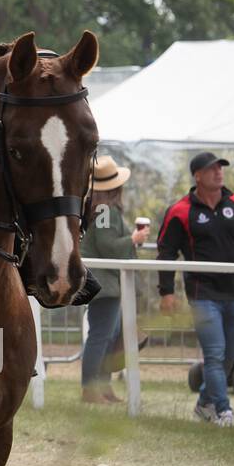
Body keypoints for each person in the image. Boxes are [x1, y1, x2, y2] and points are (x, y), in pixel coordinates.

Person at [156, 151, 234, 427]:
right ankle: (223, 410)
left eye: (221, 168)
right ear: (197, 176)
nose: (219, 172)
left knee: (228, 357)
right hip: (202, 294)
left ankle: (203, 404)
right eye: (212, 169)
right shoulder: (180, 211)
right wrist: (166, 292)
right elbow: (166, 253)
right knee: (215, 354)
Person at [78, 156, 145, 403]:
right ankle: (91, 388)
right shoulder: (105, 210)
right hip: (105, 284)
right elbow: (108, 245)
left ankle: (102, 386)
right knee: (101, 336)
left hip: (104, 283)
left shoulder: (97, 208)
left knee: (108, 334)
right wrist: (133, 240)